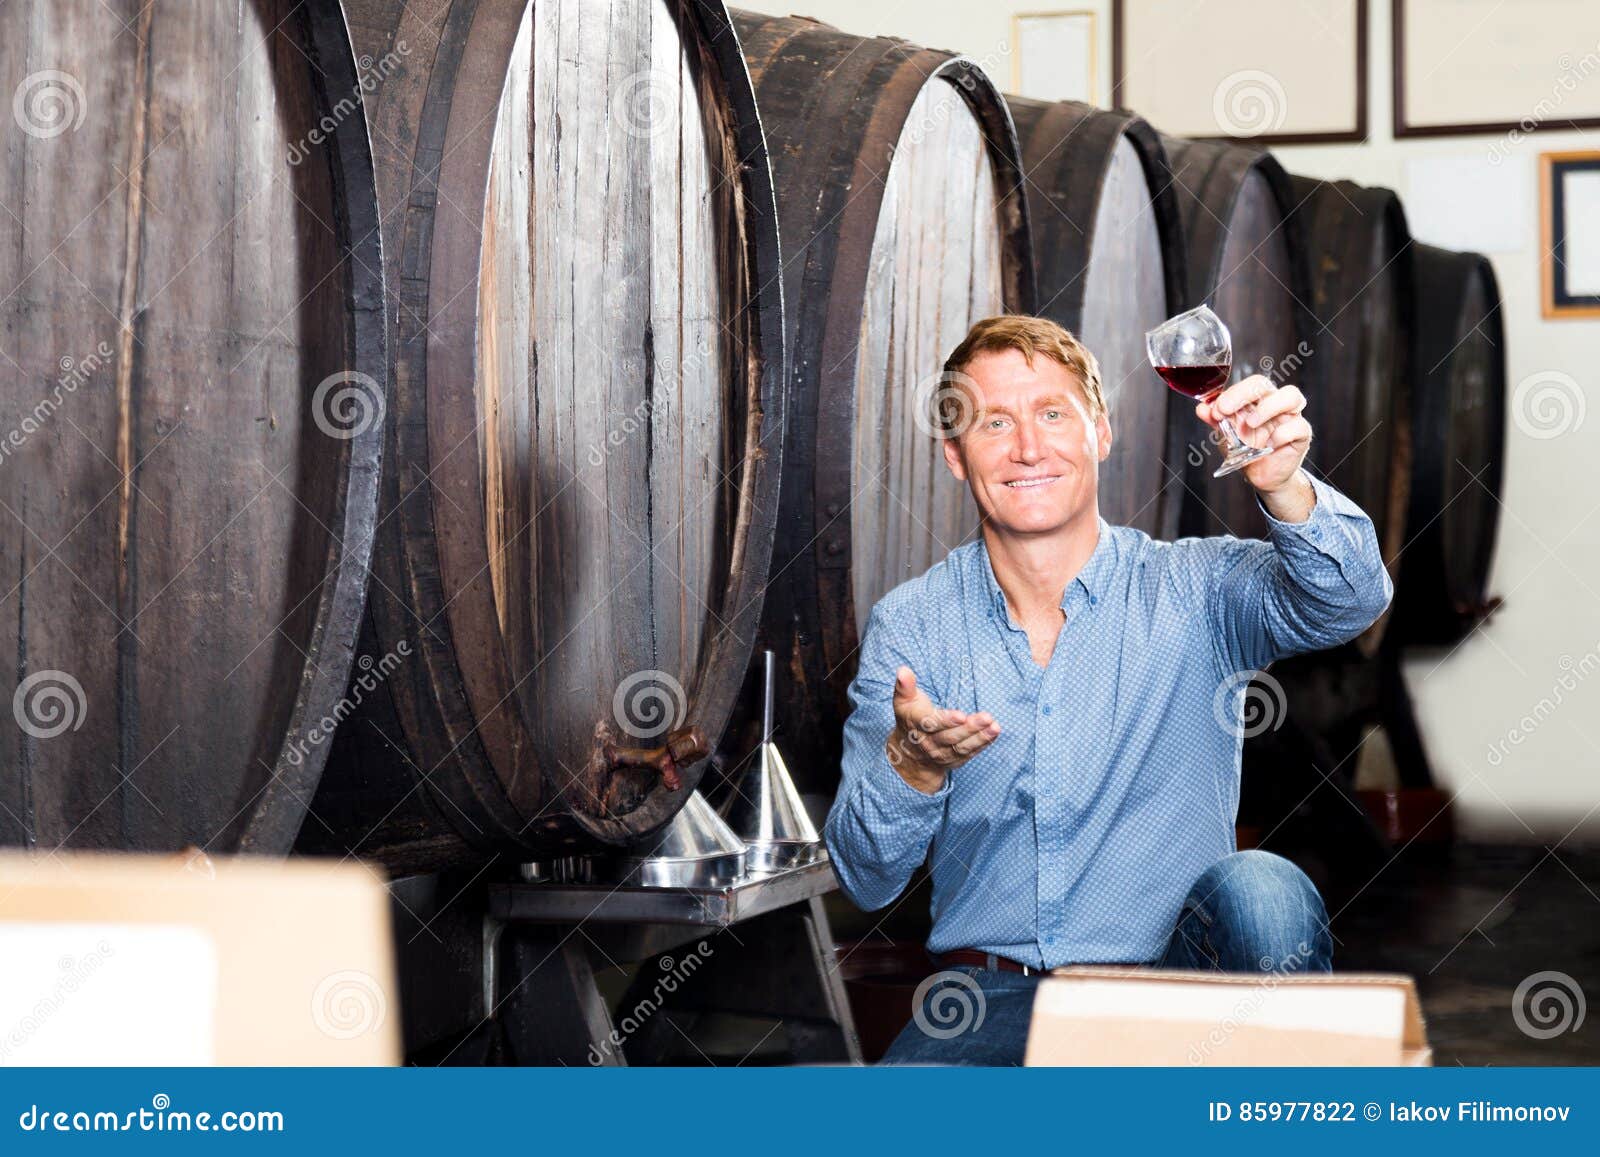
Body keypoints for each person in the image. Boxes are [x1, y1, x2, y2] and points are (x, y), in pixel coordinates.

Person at [823, 315, 1393, 1065]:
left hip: (1177, 989)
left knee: (1265, 891)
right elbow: (864, 878)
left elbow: (1349, 600)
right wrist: (914, 770)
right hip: (994, 1001)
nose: (1028, 446)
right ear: (956, 457)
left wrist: (1285, 486)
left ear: (1101, 433)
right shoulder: (914, 626)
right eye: (995, 423)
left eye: (1052, 413)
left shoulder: (1194, 588)